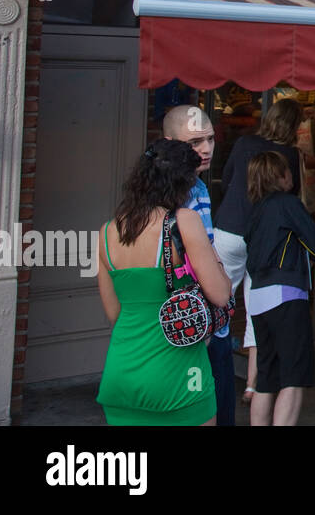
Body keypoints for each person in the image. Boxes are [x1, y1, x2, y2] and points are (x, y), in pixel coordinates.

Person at [96, 139, 231, 425]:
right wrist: (214, 258)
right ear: (181, 184)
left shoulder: (107, 232)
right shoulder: (184, 221)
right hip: (180, 376)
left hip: (122, 375)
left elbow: (114, 314)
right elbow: (220, 295)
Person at [212, 96, 305, 405]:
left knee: (216, 300)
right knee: (257, 309)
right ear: (294, 125)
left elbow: (225, 180)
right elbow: (289, 196)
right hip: (263, 238)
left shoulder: (244, 143)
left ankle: (205, 370)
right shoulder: (289, 154)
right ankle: (254, 383)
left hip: (228, 227)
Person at [244, 150, 315, 425]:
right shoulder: (287, 203)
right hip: (286, 293)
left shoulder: (255, 209)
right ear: (280, 176)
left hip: (257, 296)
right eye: (290, 170)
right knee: (294, 376)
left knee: (267, 377)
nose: (293, 174)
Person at [161, 105, 232, 424]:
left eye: (210, 139)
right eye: (194, 143)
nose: (205, 149)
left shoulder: (200, 187)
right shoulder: (168, 194)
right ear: (169, 143)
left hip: (210, 324)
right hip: (188, 328)